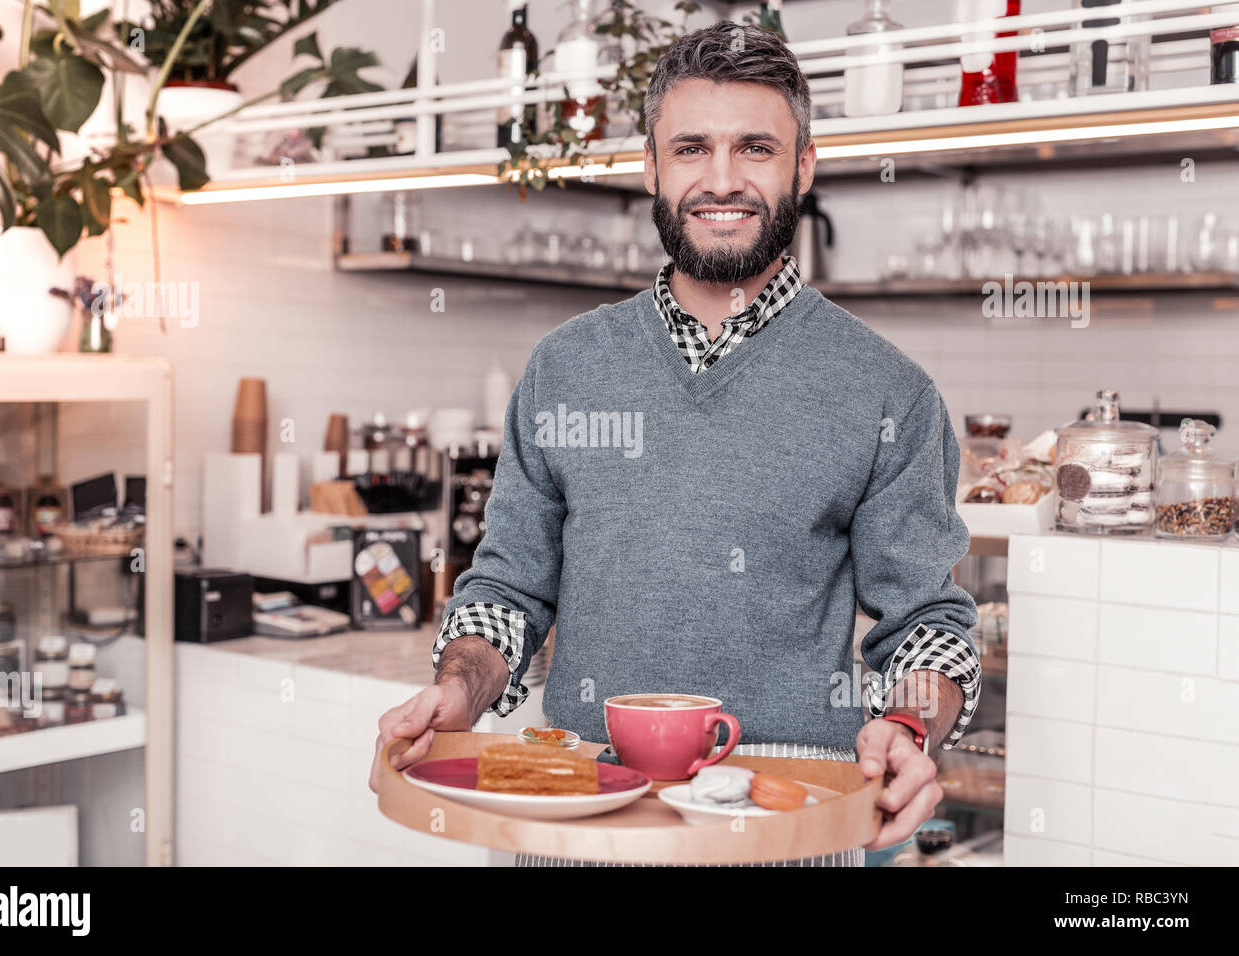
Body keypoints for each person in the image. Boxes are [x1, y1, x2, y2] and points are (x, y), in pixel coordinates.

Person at [370, 20, 981, 867]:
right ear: (650, 166)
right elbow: (507, 587)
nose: (722, 179)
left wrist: (912, 722)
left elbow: (926, 621)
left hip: (786, 823)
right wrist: (458, 688)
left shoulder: (888, 390)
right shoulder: (564, 368)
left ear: (803, 166)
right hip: (581, 820)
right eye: (691, 147)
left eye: (756, 148)